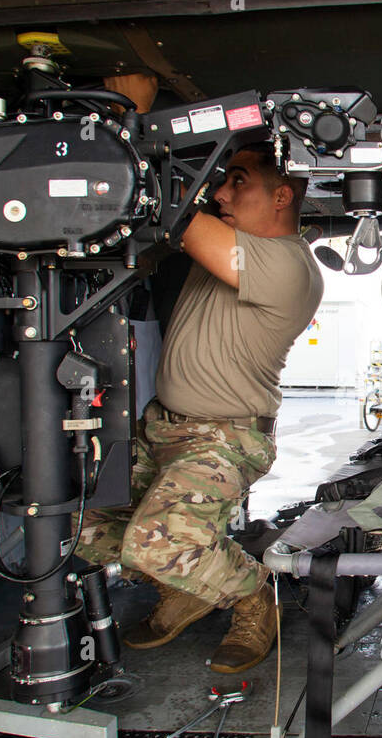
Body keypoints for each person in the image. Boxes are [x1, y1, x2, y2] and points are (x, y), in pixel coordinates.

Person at [75, 73, 323, 673]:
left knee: (156, 540)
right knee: (81, 531)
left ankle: (253, 594)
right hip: (161, 428)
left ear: (282, 194)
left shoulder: (289, 265)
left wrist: (131, 116)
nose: (221, 194)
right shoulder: (227, 248)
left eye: (237, 182)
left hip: (223, 437)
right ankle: (182, 588)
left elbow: (166, 210)